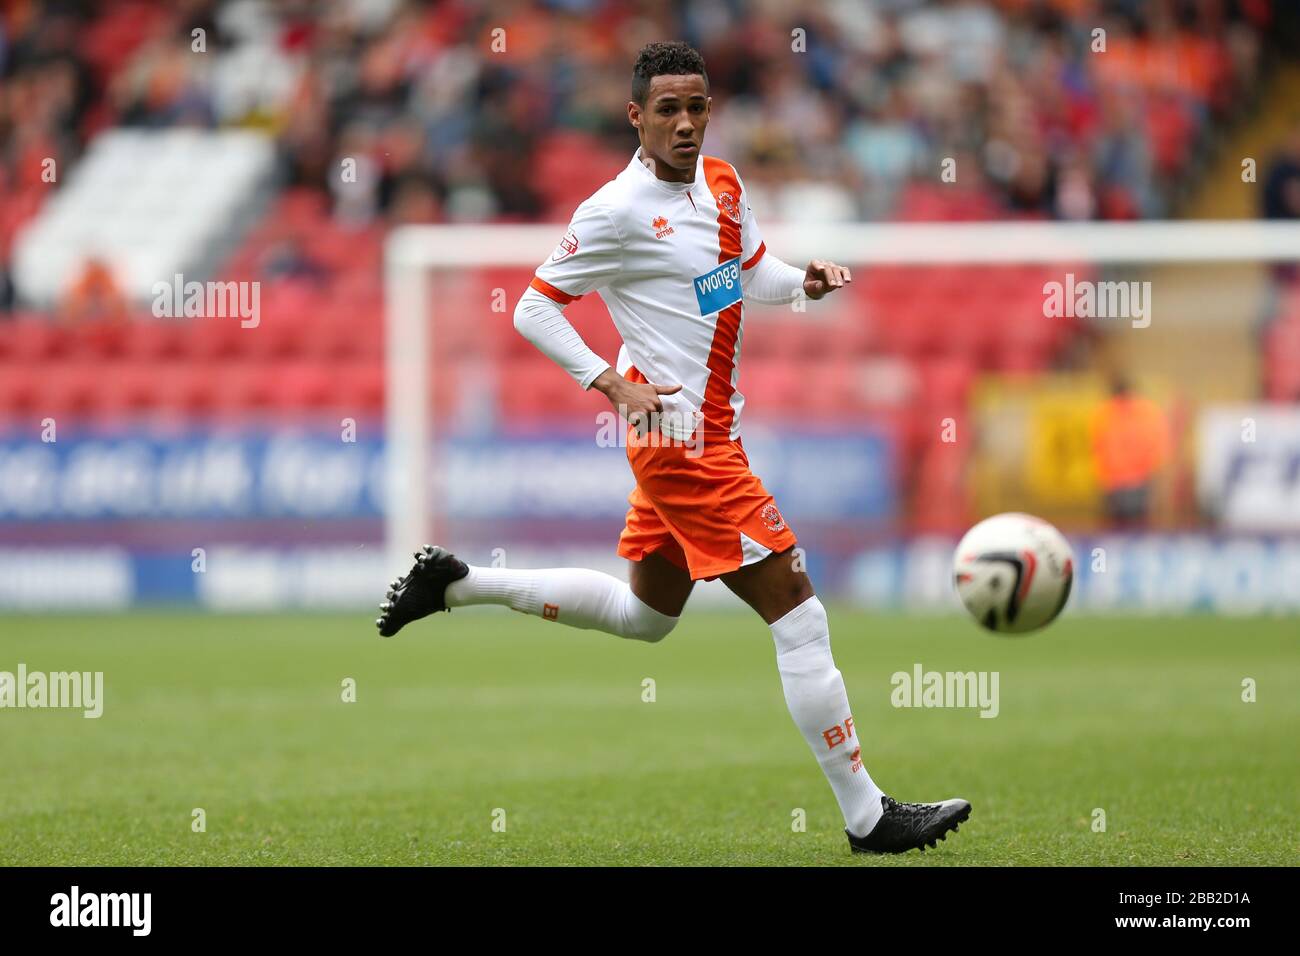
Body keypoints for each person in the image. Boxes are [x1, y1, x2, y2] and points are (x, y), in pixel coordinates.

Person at [376, 41, 969, 855]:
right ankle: (868, 815)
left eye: (697, 107)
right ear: (636, 117)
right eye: (667, 109)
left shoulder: (723, 184)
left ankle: (458, 585)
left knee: (646, 619)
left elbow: (735, 276)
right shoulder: (614, 210)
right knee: (801, 617)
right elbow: (533, 309)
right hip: (680, 439)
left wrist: (803, 282)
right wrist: (611, 384)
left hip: (695, 433)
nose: (686, 123)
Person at [1090, 376, 1170, 528]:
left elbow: (1098, 447)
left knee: (1120, 527)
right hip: (1133, 480)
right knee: (1135, 526)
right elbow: (1156, 445)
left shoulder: (1105, 412)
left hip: (1120, 481)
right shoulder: (1146, 411)